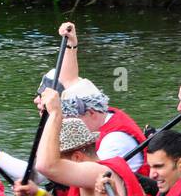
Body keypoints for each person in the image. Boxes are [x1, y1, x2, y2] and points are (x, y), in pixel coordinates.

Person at [33, 21, 149, 174]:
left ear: (91, 113)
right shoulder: (100, 116)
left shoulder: (115, 141)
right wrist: (71, 45)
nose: (67, 124)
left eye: (69, 118)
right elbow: (69, 80)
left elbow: (49, 170)